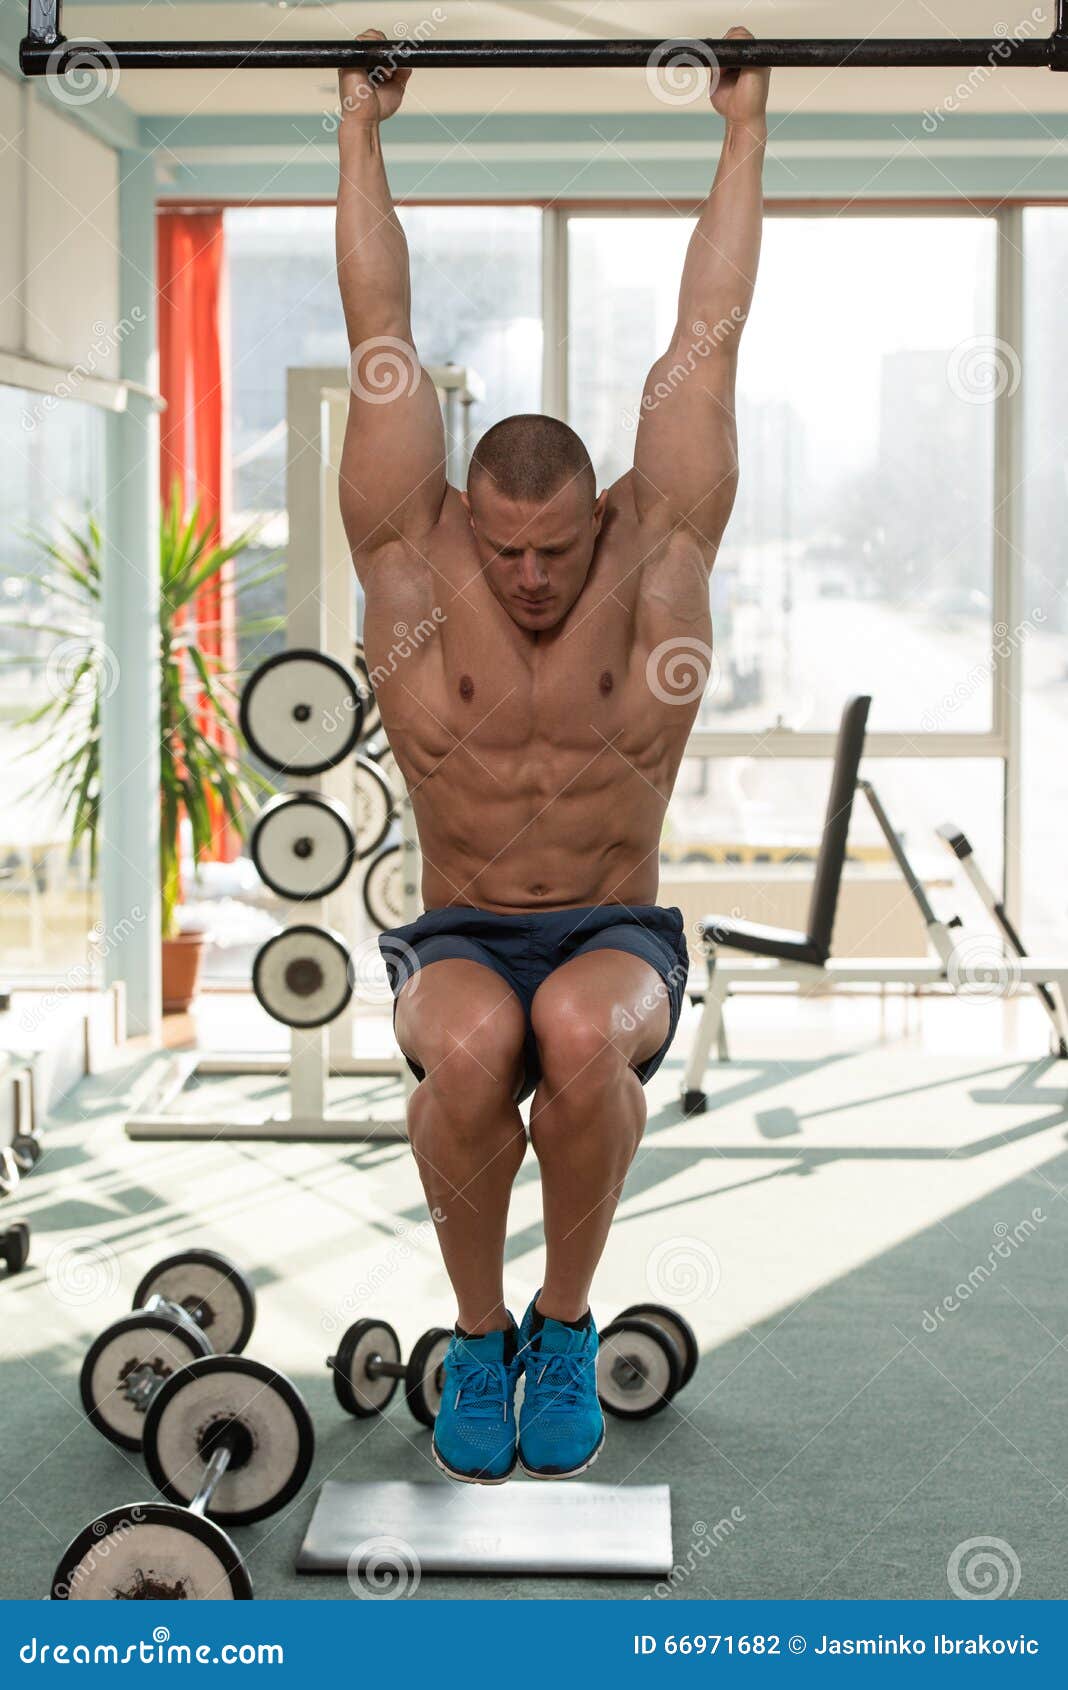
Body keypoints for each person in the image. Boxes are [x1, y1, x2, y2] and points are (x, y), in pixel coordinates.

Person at [335, 28, 769, 1483]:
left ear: (607, 517)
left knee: (578, 1039)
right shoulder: (413, 545)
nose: (528, 576)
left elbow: (705, 340)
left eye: (555, 547)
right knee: (469, 1047)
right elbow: (374, 324)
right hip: (459, 927)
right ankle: (476, 1339)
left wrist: (742, 129)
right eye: (505, 548)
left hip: (614, 928)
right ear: (467, 521)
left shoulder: (661, 543)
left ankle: (565, 1324)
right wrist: (360, 131)